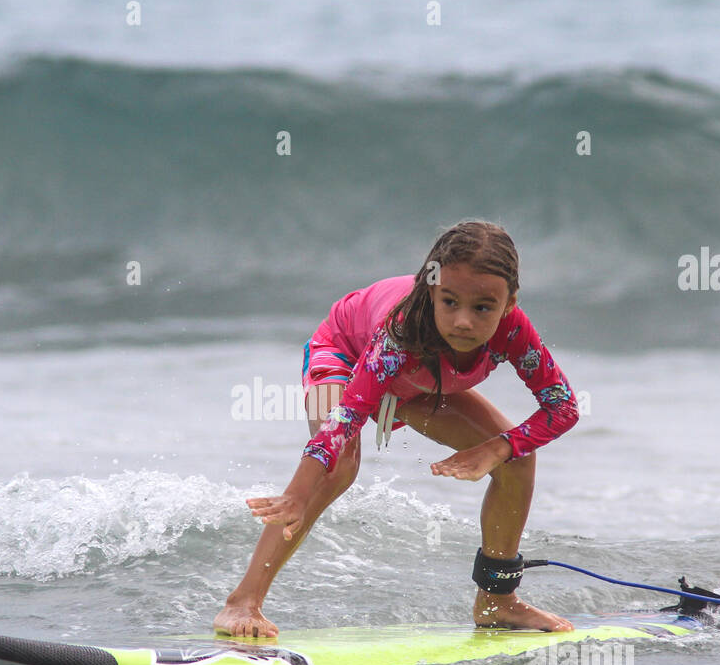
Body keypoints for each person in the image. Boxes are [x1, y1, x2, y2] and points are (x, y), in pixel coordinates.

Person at [214, 220, 580, 638]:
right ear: (431, 291)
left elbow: (563, 406)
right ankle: (242, 602)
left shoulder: (513, 330)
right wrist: (298, 492)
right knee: (338, 465)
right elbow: (345, 417)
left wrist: (497, 448)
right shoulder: (402, 331)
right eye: (450, 302)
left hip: (414, 383)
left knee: (517, 460)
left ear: (509, 303)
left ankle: (497, 603)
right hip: (345, 355)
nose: (463, 321)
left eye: (482, 308)